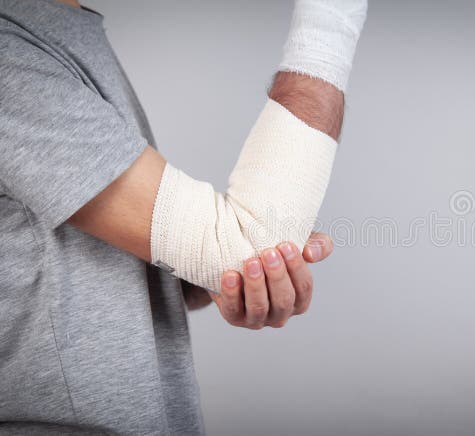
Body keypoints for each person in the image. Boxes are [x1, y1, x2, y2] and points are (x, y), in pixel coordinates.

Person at [0, 0, 366, 433]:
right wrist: (331, 19)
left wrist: (210, 276)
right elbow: (246, 243)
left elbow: (61, 261)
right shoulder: (12, 57)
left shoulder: (62, 31)